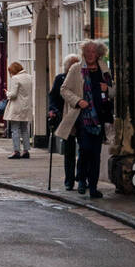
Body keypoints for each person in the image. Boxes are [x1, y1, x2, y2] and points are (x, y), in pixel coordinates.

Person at [55, 41, 114, 198]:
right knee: (85, 149)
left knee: (95, 153)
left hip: (99, 117)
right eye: (87, 51)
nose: (89, 54)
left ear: (98, 53)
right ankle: (81, 180)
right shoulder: (76, 69)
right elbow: (64, 89)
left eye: (93, 51)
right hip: (82, 117)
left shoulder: (104, 69)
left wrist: (107, 89)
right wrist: (78, 101)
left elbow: (114, 91)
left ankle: (93, 187)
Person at [48, 53, 79, 190]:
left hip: (82, 117)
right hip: (66, 118)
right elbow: (54, 97)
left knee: (85, 150)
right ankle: (69, 180)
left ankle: (83, 177)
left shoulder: (84, 77)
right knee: (69, 151)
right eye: (72, 66)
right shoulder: (60, 79)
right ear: (67, 68)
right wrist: (53, 110)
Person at [3, 60, 34, 159]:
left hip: (16, 107)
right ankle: (26, 151)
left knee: (15, 129)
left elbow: (13, 94)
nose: (10, 74)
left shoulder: (16, 78)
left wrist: (7, 93)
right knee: (25, 129)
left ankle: (16, 151)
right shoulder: (29, 77)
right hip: (27, 107)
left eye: (10, 72)